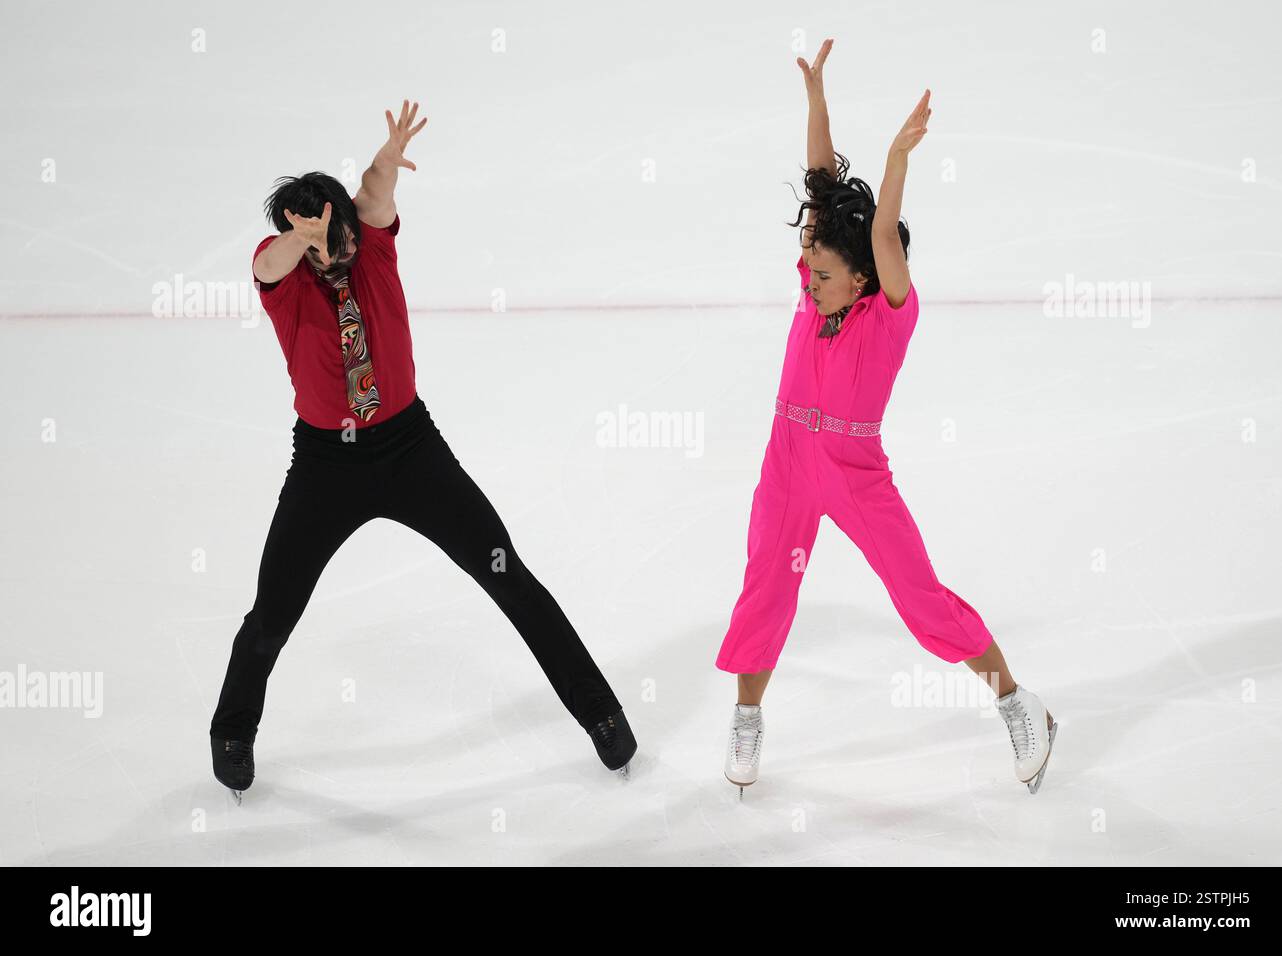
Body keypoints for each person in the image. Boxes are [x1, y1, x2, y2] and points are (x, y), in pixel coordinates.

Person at [210, 101, 636, 798]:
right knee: (273, 614)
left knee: (507, 574)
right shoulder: (285, 281)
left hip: (411, 450)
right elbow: (268, 259)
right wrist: (299, 238)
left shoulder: (373, 244)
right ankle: (232, 730)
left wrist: (383, 161)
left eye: (340, 230)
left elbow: (376, 194)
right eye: (321, 239)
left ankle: (601, 713)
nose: (337, 246)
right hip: (326, 466)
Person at [714, 41, 1057, 796]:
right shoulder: (819, 289)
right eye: (810, 269)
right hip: (788, 460)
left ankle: (1016, 701)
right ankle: (747, 717)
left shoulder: (889, 315)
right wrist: (816, 98)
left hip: (854, 475)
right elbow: (821, 189)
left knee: (919, 597)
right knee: (765, 588)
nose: (809, 281)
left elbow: (878, 233)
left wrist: (897, 161)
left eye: (824, 274)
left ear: (863, 278)